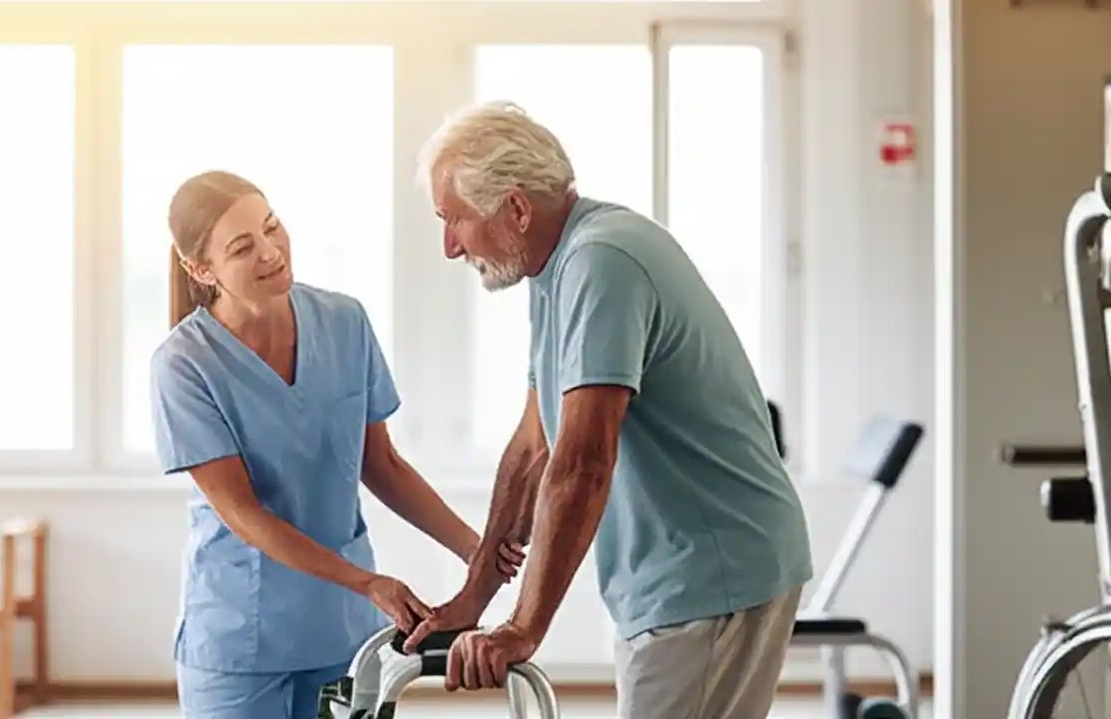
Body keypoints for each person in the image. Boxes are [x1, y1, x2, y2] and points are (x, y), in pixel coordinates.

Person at [403, 102, 815, 719]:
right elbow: (532, 449)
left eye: (455, 219)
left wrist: (522, 627)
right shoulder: (554, 267)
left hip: (712, 574)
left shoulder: (602, 261)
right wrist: (475, 597)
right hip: (675, 576)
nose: (448, 247)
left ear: (516, 209)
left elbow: (583, 462)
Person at [148, 170, 524, 719]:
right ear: (200, 269)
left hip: (340, 630)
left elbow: (385, 466)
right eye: (242, 247)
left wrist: (478, 550)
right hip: (239, 635)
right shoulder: (184, 365)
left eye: (272, 227)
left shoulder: (344, 322)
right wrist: (367, 582)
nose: (271, 251)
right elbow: (242, 513)